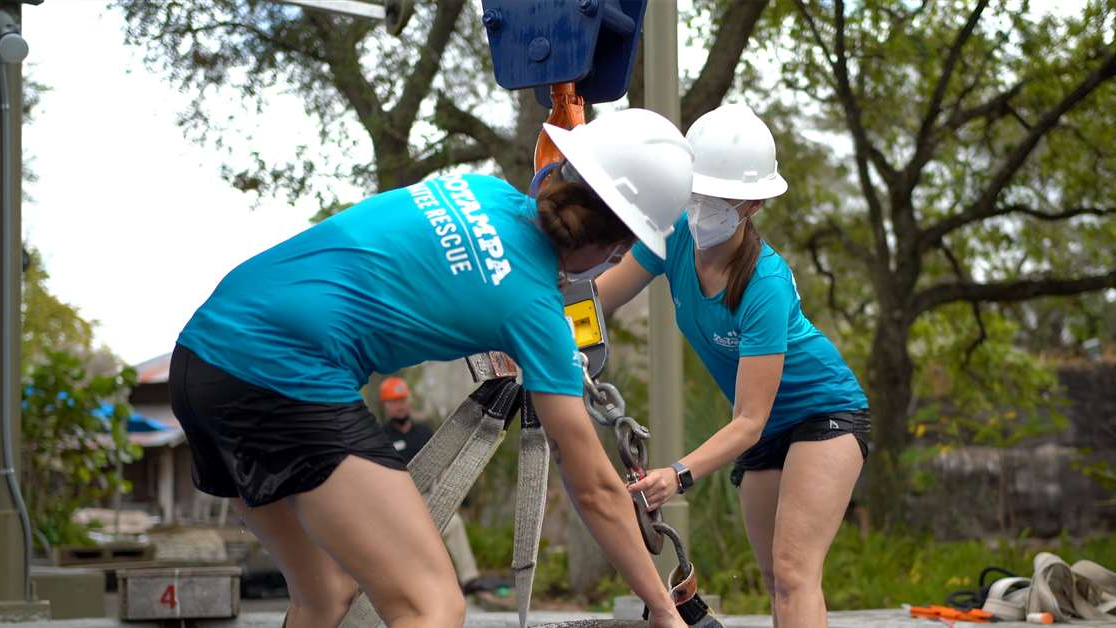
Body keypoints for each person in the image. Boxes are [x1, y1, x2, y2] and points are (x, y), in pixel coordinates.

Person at [168, 108, 694, 628]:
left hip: (200, 359)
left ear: (558, 173)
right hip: (285, 373)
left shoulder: (475, 189)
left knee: (325, 595)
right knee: (431, 606)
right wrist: (664, 609)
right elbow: (596, 490)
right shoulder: (534, 310)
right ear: (615, 243)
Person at [596, 103, 871, 628]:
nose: (702, 206)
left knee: (794, 574)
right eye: (696, 190)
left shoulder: (763, 284)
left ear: (754, 202)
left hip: (824, 414)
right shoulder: (674, 235)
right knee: (773, 579)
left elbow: (749, 420)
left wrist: (677, 474)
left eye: (719, 196)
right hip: (763, 431)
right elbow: (598, 300)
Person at [376, 375, 501, 599]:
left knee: (453, 524)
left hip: (428, 495)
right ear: (385, 405)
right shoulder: (381, 436)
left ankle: (469, 579)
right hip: (398, 502)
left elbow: (442, 462)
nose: (399, 405)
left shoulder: (424, 431)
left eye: (402, 399)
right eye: (393, 401)